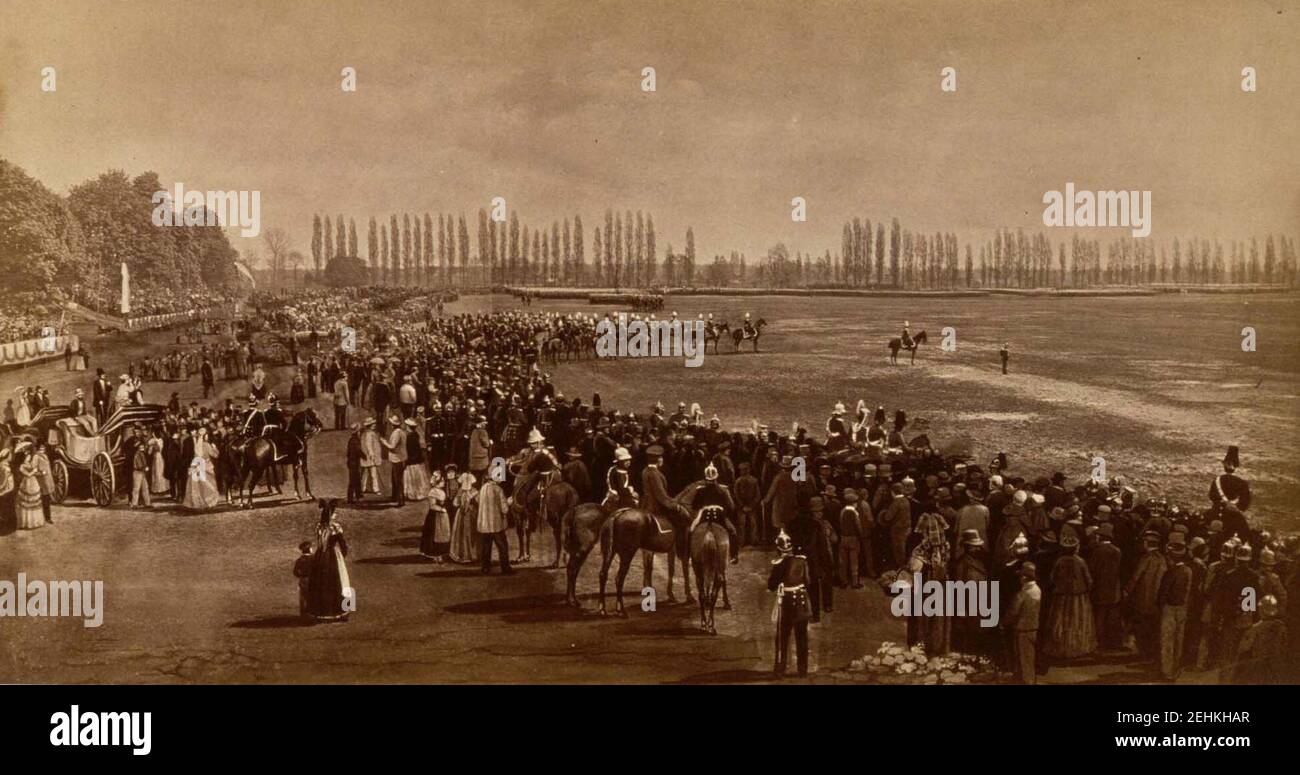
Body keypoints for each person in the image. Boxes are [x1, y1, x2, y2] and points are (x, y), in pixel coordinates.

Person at [1043, 527, 1096, 659]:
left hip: (1062, 597)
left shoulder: (1060, 561)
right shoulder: (1080, 561)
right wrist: (1088, 589)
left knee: (1061, 622)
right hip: (1079, 597)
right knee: (1078, 622)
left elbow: (1052, 578)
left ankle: (1061, 648)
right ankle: (1078, 648)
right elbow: (1088, 579)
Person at [768, 530, 811, 677]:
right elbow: (808, 581)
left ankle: (780, 669)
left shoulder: (779, 564)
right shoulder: (802, 561)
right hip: (801, 601)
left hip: (786, 602)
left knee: (782, 637)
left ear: (778, 549)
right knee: (802, 637)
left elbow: (771, 585)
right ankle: (802, 670)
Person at [305, 499, 352, 621]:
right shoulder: (335, 527)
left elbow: (320, 541)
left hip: (320, 556)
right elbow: (342, 543)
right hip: (333, 555)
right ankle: (343, 610)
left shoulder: (320, 526)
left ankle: (319, 611)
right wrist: (343, 554)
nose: (336, 515)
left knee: (320, 583)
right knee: (341, 580)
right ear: (331, 514)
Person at [685, 463, 740, 564]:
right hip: (720, 516)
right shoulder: (723, 489)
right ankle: (734, 555)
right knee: (733, 531)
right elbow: (731, 507)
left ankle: (689, 557)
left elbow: (695, 507)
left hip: (704, 515)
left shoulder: (700, 490)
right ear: (716, 477)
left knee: (690, 531)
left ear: (706, 478)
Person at [1157, 534, 1193, 680]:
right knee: (1179, 639)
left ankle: (1167, 671)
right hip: (1183, 608)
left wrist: (1159, 606)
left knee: (1167, 641)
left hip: (1170, 609)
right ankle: (1176, 669)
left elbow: (1162, 593)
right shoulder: (1188, 571)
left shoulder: (1170, 572)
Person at [1004, 561, 1041, 684]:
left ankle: (1026, 681)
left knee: (1023, 659)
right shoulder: (1037, 590)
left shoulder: (1023, 594)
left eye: (1021, 576)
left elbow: (1013, 612)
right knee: (1028, 658)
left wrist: (1004, 623)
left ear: (1025, 577)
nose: (1019, 579)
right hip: (1033, 628)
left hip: (1022, 630)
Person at [476, 475, 513, 575]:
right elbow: (504, 509)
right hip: (496, 525)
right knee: (503, 547)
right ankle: (505, 569)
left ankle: (485, 568)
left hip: (484, 525)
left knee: (486, 548)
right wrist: (509, 502)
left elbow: (477, 500)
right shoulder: (498, 489)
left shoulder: (483, 488)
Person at [181, 427, 222, 511]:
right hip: (206, 467)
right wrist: (215, 448)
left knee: (198, 487)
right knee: (208, 487)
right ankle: (207, 503)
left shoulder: (197, 445)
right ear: (204, 436)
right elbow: (216, 455)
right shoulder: (207, 445)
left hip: (197, 466)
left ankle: (199, 504)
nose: (207, 437)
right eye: (207, 435)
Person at [449, 468, 479, 564]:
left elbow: (455, 503)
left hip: (467, 514)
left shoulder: (461, 491)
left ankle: (468, 555)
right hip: (467, 513)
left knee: (467, 533)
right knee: (464, 533)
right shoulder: (472, 490)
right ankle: (469, 555)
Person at [420, 471, 451, 562]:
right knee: (434, 534)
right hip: (435, 516)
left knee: (444, 534)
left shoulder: (441, 491)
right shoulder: (433, 492)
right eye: (442, 481)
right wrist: (441, 509)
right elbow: (432, 505)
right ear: (437, 482)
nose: (444, 483)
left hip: (443, 516)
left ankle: (442, 553)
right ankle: (433, 554)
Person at [15, 446, 45, 530]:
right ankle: (27, 522)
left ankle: (34, 521)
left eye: (28, 458)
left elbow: (35, 472)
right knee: (27, 502)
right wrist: (33, 471)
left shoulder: (29, 465)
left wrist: (39, 472)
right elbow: (28, 475)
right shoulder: (22, 467)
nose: (28, 459)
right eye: (26, 458)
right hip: (26, 483)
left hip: (33, 483)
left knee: (34, 501)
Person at [360, 417, 383, 494]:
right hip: (369, 457)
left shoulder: (368, 433)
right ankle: (375, 489)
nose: (374, 425)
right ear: (369, 425)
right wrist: (371, 454)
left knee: (366, 473)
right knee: (372, 473)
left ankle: (363, 488)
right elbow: (368, 445)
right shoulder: (369, 434)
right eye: (373, 424)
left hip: (368, 457)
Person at [293, 541, 314, 618]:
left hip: (303, 580)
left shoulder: (299, 560)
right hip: (313, 580)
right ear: (309, 549)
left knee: (303, 597)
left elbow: (295, 572)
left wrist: (301, 576)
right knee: (313, 596)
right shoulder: (314, 558)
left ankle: (304, 615)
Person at [129, 438, 151, 508]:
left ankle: (147, 503)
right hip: (137, 472)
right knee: (136, 488)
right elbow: (139, 465)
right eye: (141, 447)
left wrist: (145, 468)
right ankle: (134, 504)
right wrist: (145, 468)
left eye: (143, 447)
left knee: (145, 487)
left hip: (142, 472)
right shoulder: (137, 454)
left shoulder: (142, 454)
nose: (143, 448)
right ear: (138, 447)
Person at [345, 422, 363, 503]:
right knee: (353, 480)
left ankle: (358, 495)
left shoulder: (351, 440)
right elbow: (358, 451)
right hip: (354, 463)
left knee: (356, 479)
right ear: (357, 432)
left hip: (351, 462)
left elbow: (348, 453)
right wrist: (365, 456)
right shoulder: (355, 440)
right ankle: (350, 498)